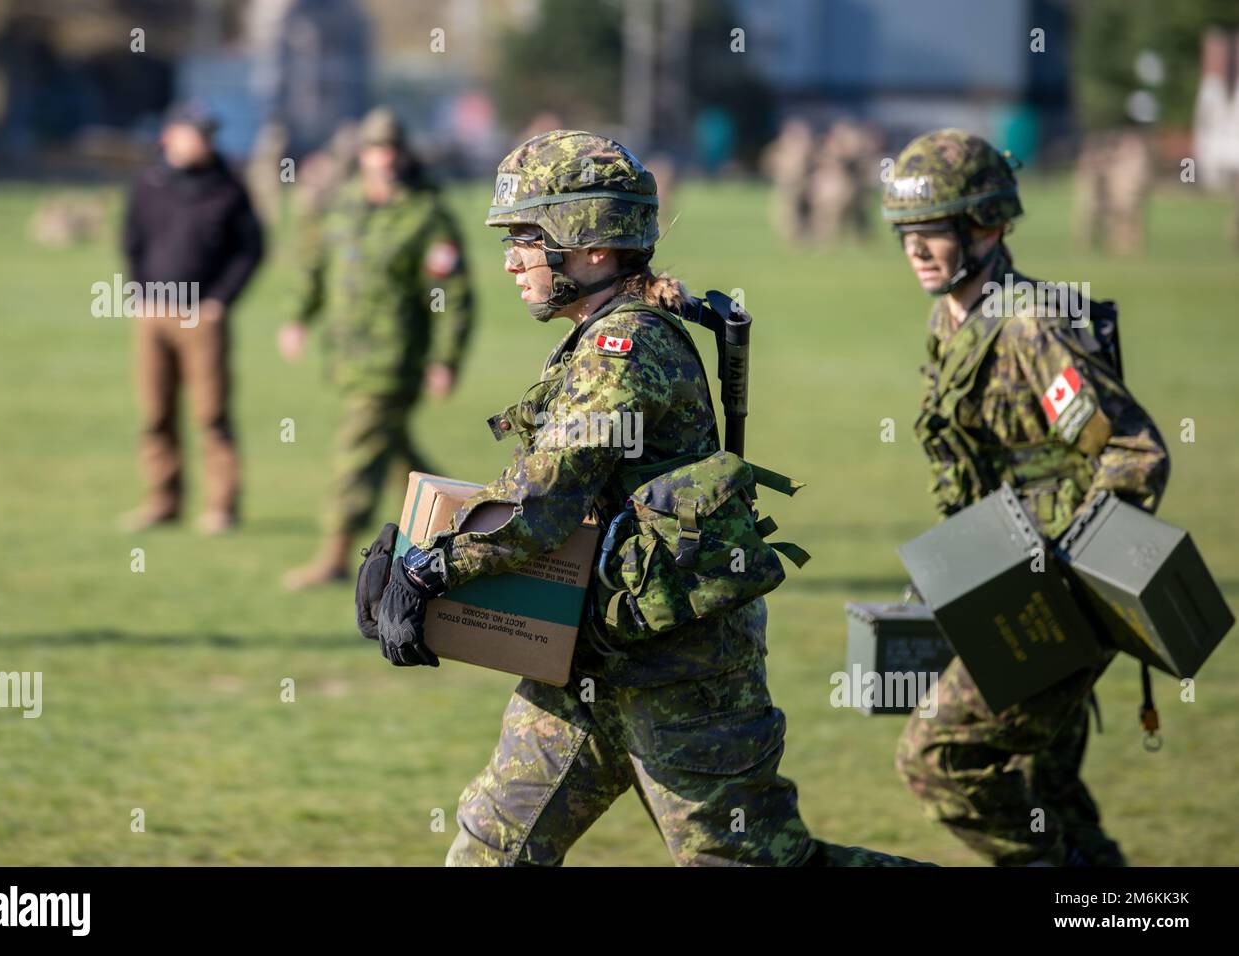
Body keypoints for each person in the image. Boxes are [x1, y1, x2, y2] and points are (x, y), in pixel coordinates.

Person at [362, 129, 931, 868]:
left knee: (749, 864)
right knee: (490, 851)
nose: (509, 261)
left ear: (591, 244)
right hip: (586, 656)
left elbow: (544, 502)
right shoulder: (602, 336)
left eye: (527, 239)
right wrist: (415, 548)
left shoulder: (623, 349)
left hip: (679, 670)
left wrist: (428, 570)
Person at [883, 129, 1170, 866]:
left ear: (987, 227)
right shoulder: (951, 320)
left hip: (1055, 594)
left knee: (936, 759)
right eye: (907, 233)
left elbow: (1132, 456)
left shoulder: (1032, 326)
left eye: (934, 232)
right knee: (1047, 786)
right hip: (997, 574)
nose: (916, 249)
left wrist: (1067, 584)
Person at [280, 108, 474, 590]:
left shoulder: (426, 215)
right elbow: (316, 266)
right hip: (347, 358)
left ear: (404, 155)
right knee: (396, 456)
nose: (382, 159)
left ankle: (335, 553)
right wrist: (298, 317)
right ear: (361, 154)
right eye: (373, 149)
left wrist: (444, 360)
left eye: (390, 149)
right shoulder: (344, 206)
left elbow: (453, 296)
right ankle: (464, 528)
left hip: (395, 361)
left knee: (358, 451)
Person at [120, 102, 264, 534]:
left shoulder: (228, 188)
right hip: (153, 312)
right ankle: (162, 500)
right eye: (196, 133)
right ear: (170, 135)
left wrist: (221, 299)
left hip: (202, 315)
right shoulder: (148, 183)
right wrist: (139, 291)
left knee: (211, 414)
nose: (205, 141)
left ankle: (221, 506)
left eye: (208, 134)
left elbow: (251, 250)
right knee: (155, 412)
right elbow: (132, 240)